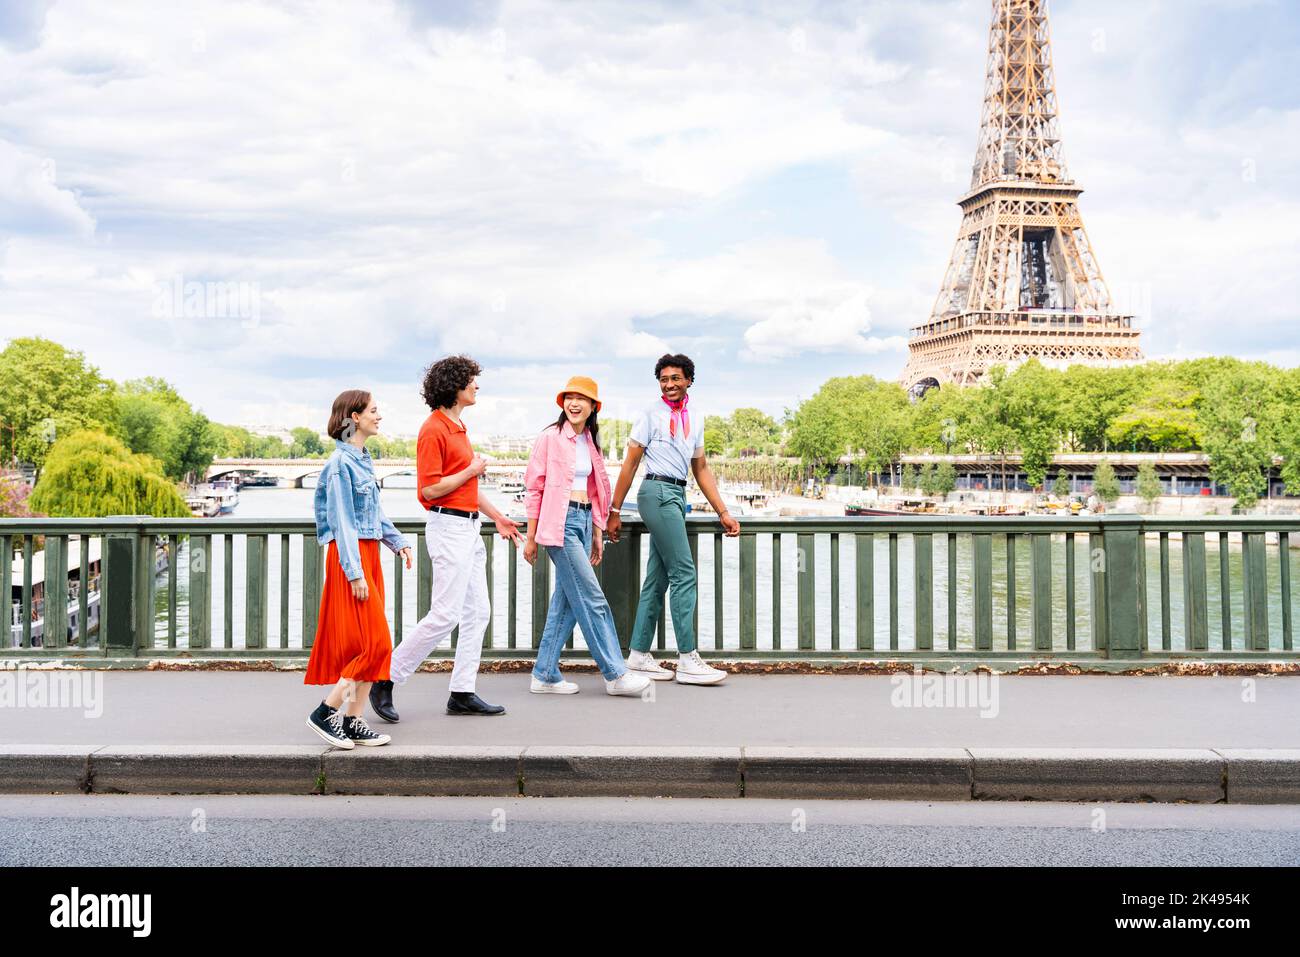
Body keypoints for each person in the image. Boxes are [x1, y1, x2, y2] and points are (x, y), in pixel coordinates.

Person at [370, 355, 522, 722]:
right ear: (455, 385)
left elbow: (467, 487)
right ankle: (385, 677)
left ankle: (462, 692)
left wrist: (498, 517)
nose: (477, 385)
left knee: (478, 612)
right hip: (448, 528)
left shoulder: (459, 428)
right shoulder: (433, 429)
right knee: (445, 614)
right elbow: (429, 491)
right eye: (472, 379)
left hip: (469, 528)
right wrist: (472, 469)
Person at [606, 353, 740, 685]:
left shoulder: (696, 416)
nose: (669, 385)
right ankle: (687, 659)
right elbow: (631, 463)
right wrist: (613, 510)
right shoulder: (650, 414)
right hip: (656, 492)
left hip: (678, 496)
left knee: (659, 578)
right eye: (664, 380)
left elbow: (701, 468)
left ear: (689, 380)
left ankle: (637, 654)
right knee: (684, 573)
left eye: (675, 378)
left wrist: (723, 511)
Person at [522, 377, 652, 698]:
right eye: (570, 398)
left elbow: (595, 490)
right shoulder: (550, 437)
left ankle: (545, 673)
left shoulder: (589, 441)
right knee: (592, 597)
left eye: (582, 399)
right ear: (562, 402)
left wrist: (596, 530)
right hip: (559, 522)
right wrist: (530, 535)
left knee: (566, 601)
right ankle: (615, 673)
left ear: (594, 406)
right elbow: (534, 487)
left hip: (581, 521)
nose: (574, 403)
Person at [305, 390, 413, 749]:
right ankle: (326, 712)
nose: (379, 416)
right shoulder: (339, 465)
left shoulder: (362, 460)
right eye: (373, 411)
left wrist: (397, 542)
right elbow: (343, 522)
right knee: (376, 642)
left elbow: (374, 515)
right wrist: (354, 573)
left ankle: (352, 719)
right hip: (351, 558)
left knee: (373, 647)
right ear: (353, 417)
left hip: (367, 555)